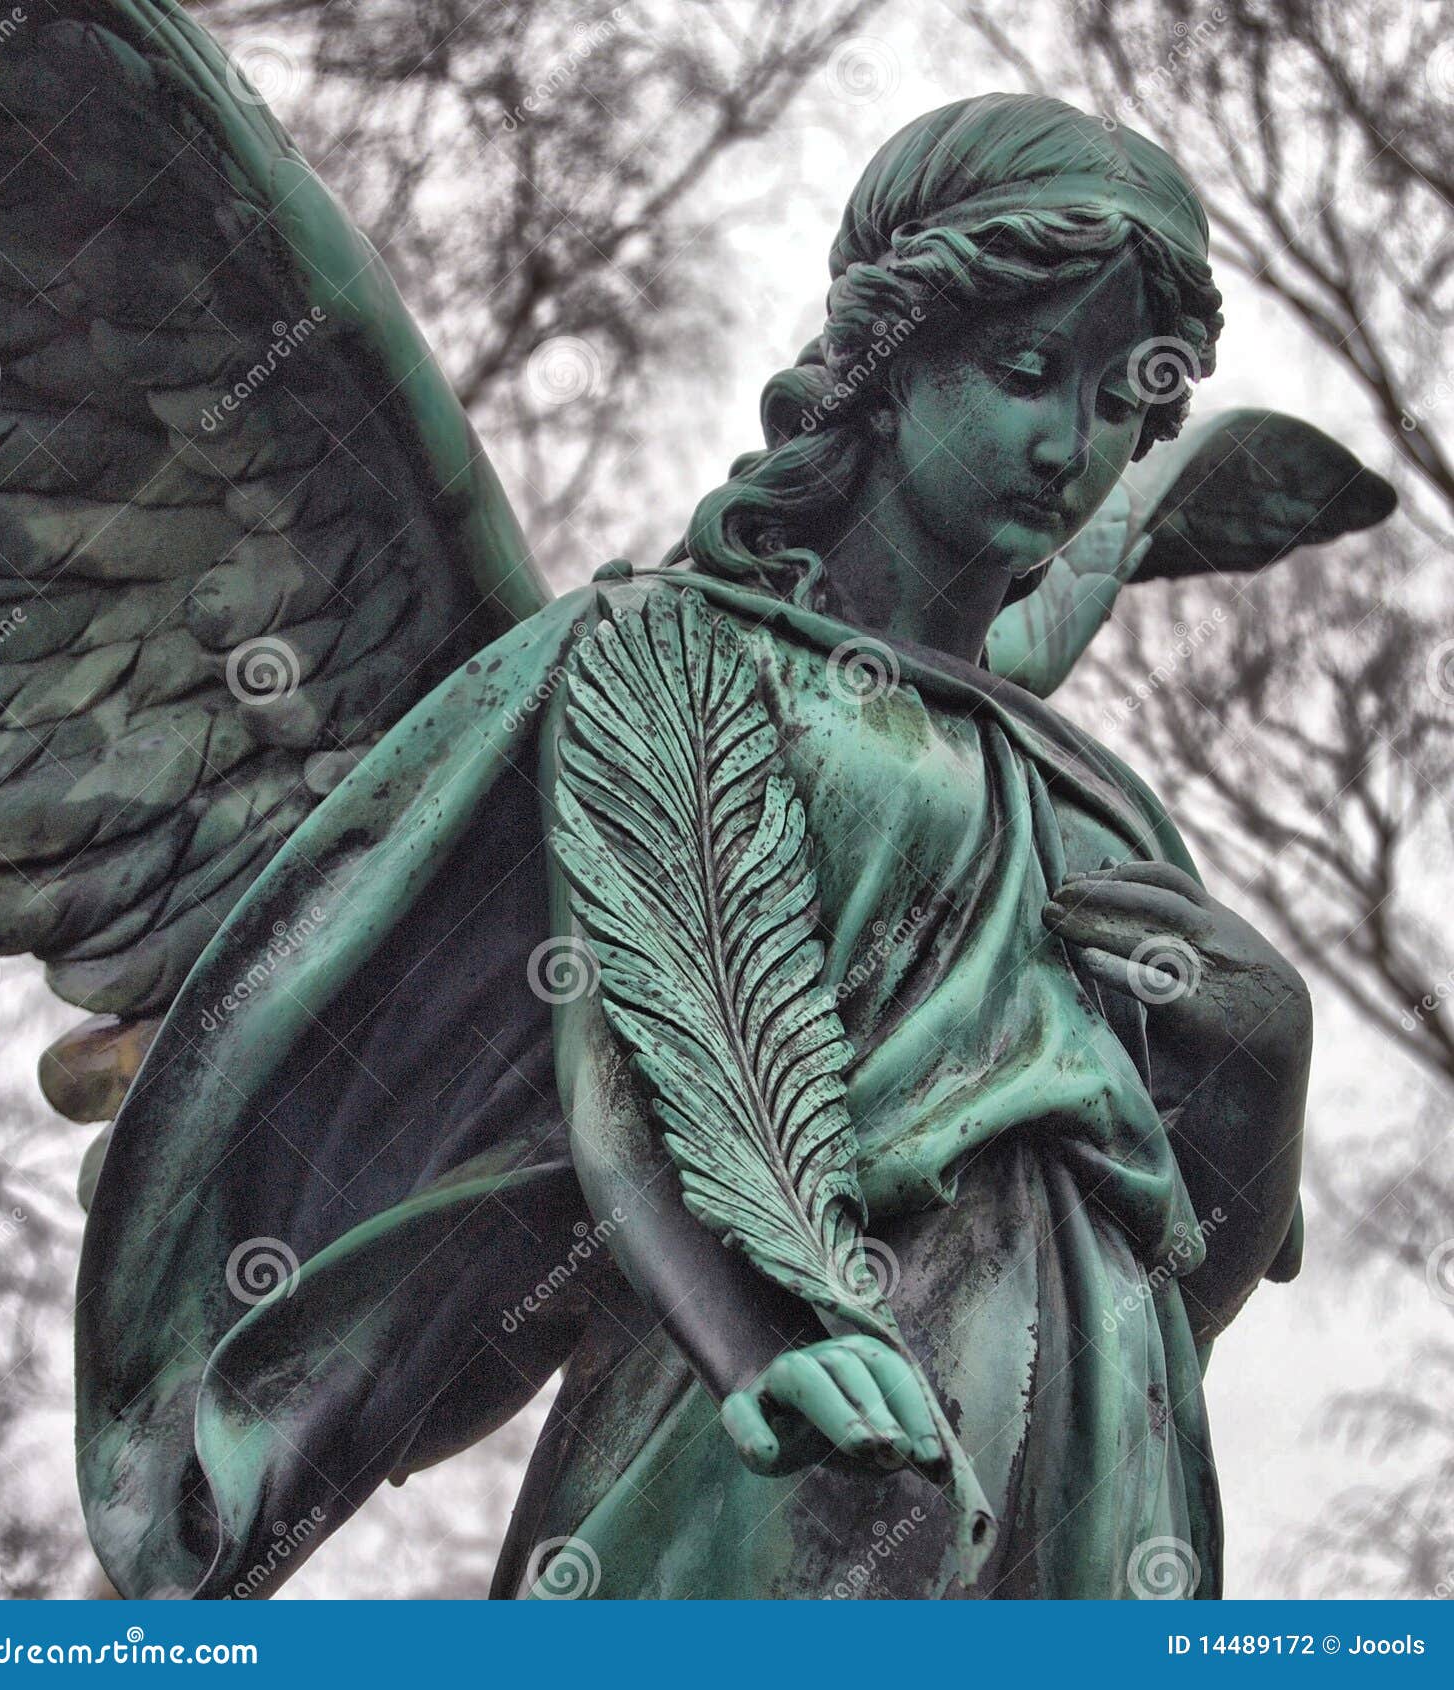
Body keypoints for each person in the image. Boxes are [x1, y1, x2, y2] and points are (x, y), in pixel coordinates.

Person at [78, 93, 1308, 1601]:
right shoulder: (675, 656)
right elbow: (650, 1058)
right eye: (1027, 370)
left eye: (1125, 401)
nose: (1073, 444)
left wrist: (1268, 1070)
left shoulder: (1073, 790)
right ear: (885, 364)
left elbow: (1180, 1281)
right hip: (797, 1442)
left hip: (1109, 1473)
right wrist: (767, 1337)